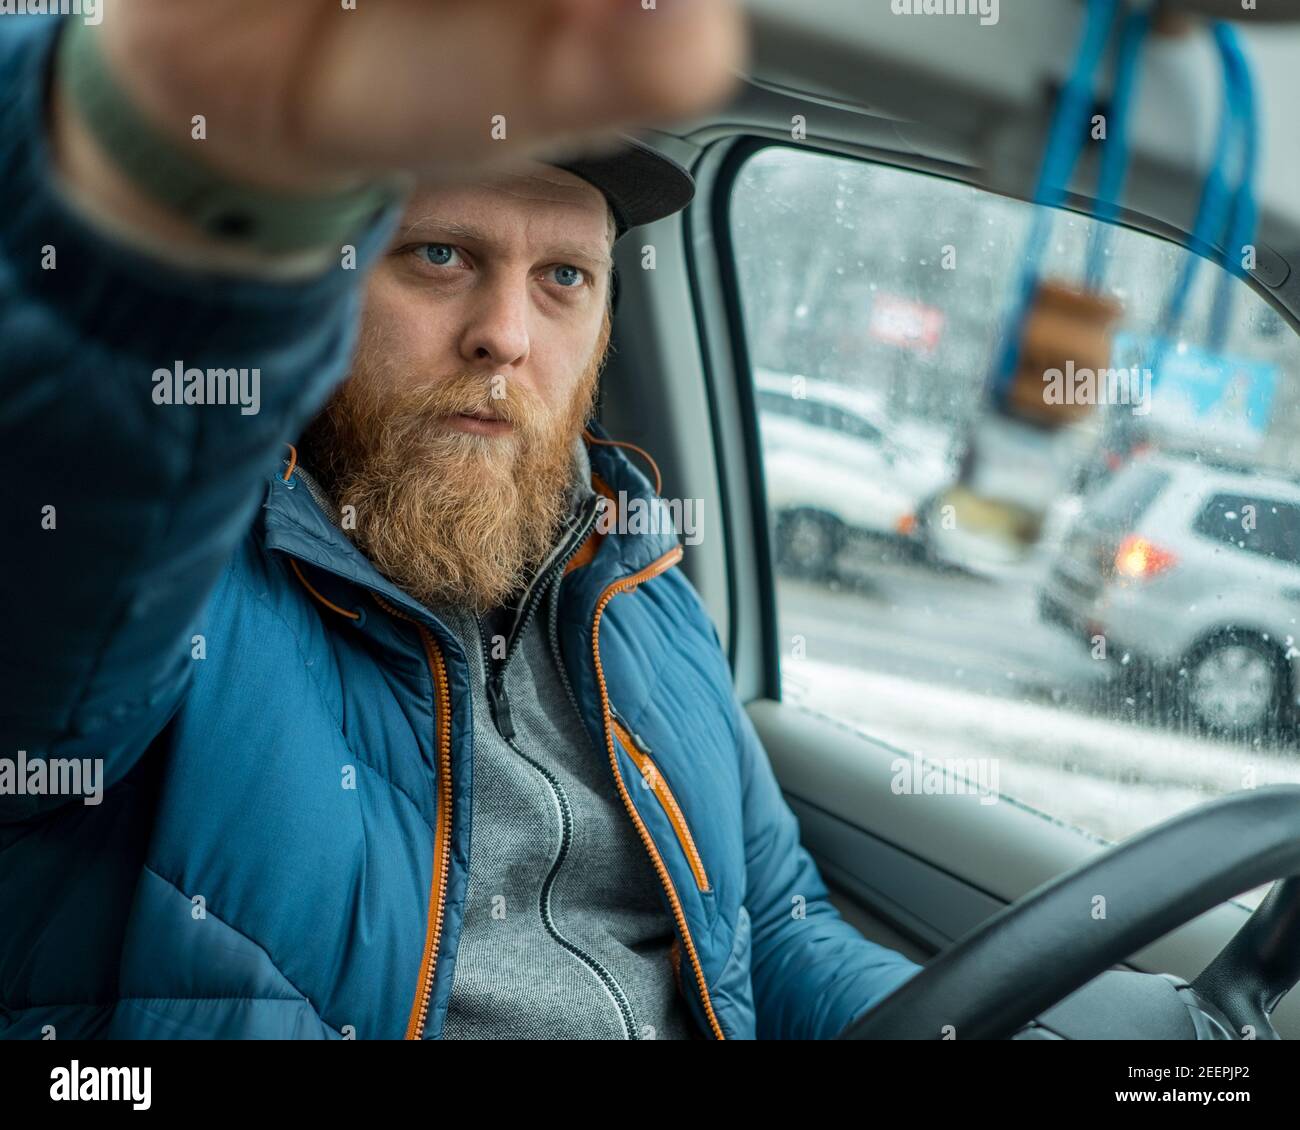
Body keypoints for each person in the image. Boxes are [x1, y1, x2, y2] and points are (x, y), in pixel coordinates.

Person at [0, 4, 922, 1040]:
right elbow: (65, 581)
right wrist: (152, 183)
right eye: (439, 255)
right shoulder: (179, 564)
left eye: (564, 277)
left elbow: (780, 931)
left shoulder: (643, 582)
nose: (505, 336)